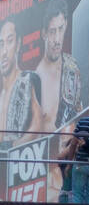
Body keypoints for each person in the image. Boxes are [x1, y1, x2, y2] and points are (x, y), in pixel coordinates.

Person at [36, 0, 82, 130]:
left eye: (61, 29)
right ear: (44, 33)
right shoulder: (33, 79)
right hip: (43, 150)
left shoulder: (72, 67)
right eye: (52, 31)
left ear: (66, 25)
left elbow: (79, 111)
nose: (57, 39)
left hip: (70, 147)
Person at [0, 15, 46, 143]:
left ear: (18, 44)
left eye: (9, 41)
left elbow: (38, 124)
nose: (4, 52)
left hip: (19, 159)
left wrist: (15, 146)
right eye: (1, 43)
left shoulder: (27, 80)